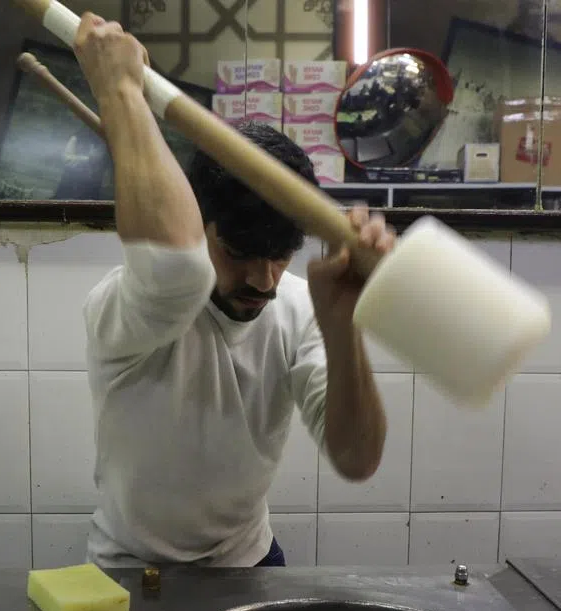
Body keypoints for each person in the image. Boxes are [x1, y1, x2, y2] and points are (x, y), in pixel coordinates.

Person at [74, 13, 395, 568]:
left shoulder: (297, 307)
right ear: (200, 225)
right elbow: (176, 267)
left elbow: (358, 458)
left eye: (279, 255)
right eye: (239, 253)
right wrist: (120, 89)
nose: (262, 280)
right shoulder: (127, 308)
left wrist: (345, 327)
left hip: (250, 562)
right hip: (131, 567)